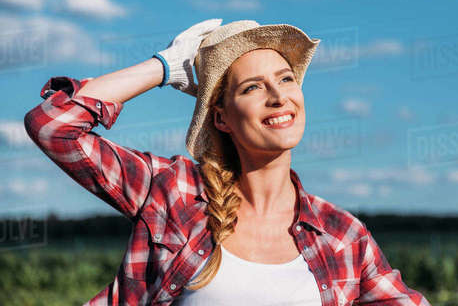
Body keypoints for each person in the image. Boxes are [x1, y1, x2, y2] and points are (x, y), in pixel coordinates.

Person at [24, 19, 431, 306]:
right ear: (221, 117)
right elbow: (53, 126)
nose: (279, 96)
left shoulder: (342, 235)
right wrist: (163, 66)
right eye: (253, 87)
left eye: (286, 78)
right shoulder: (174, 191)